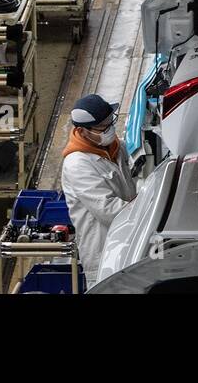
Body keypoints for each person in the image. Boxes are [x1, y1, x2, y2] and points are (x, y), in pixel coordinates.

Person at [61, 94, 136, 281]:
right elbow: (108, 210)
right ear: (82, 131)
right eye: (103, 127)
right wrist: (147, 209)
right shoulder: (77, 164)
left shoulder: (116, 147)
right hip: (103, 251)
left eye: (111, 122)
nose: (110, 129)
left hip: (128, 237)